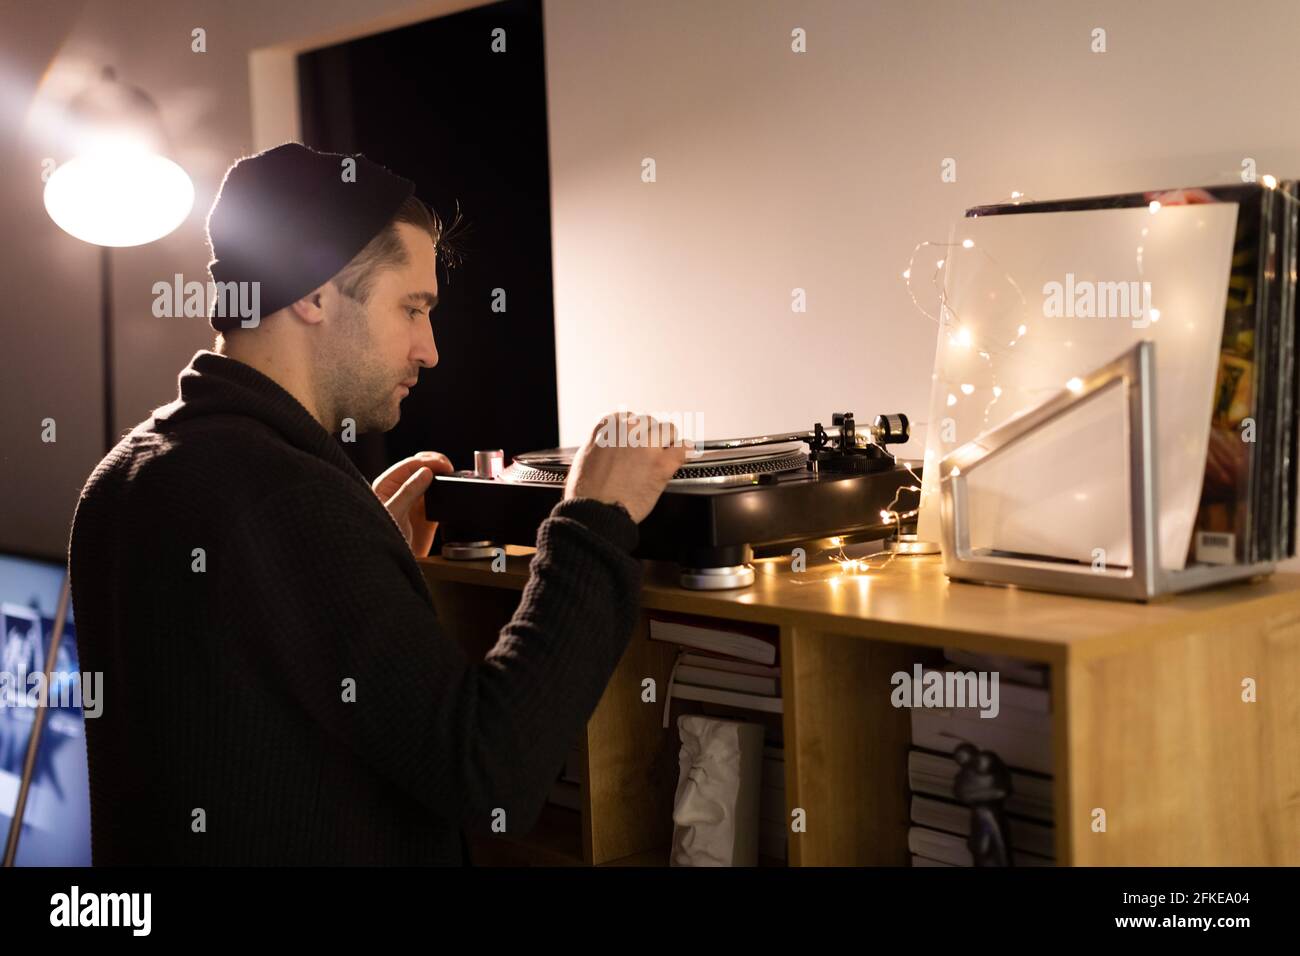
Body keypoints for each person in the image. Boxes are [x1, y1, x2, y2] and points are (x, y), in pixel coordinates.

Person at [67, 142, 684, 864]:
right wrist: (593, 521)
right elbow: (491, 773)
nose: (430, 349)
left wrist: (366, 553)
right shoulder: (287, 499)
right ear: (313, 291)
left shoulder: (126, 472)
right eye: (412, 308)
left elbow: (244, 707)